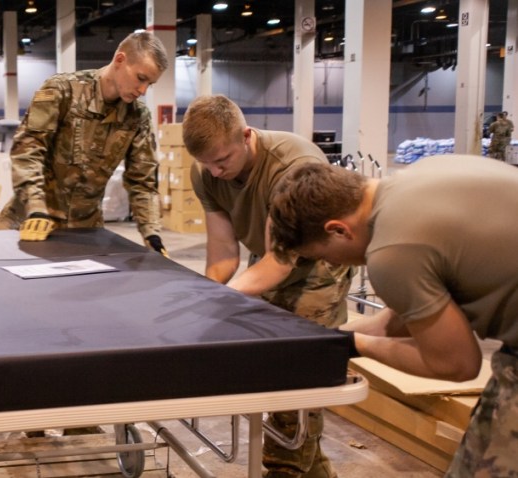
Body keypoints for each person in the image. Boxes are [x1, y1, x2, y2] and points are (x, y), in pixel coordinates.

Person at [267, 155, 518, 477]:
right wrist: (333, 338)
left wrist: (357, 346)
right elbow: (409, 315)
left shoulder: (391, 251)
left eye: (322, 256)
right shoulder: (419, 177)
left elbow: (457, 364)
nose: (330, 263)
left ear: (339, 230)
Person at [181, 95, 352, 478]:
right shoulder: (207, 171)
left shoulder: (293, 166)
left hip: (319, 262)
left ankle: (282, 468)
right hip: (268, 255)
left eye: (222, 160)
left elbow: (282, 261)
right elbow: (224, 251)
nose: (214, 171)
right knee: (269, 360)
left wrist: (222, 300)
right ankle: (312, 469)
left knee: (298, 369)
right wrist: (207, 293)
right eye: (205, 163)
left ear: (246, 136)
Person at [0, 31, 169, 255]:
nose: (143, 90)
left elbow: (143, 181)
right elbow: (27, 151)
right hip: (29, 223)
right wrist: (36, 208)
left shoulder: (137, 117)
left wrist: (151, 234)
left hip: (86, 233)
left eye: (150, 84)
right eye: (141, 78)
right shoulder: (62, 91)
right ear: (120, 60)